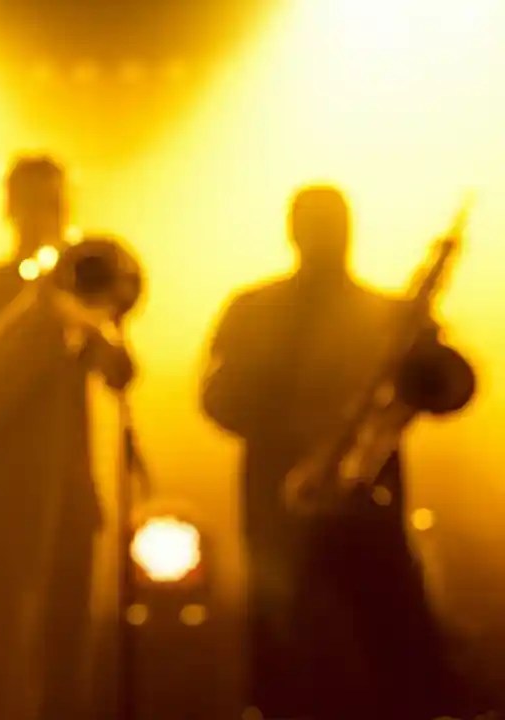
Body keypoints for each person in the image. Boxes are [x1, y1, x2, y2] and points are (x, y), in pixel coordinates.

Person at [200, 185, 469, 719]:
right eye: (319, 226)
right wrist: (295, 427)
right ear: (295, 233)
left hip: (364, 499)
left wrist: (426, 351)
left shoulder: (389, 313)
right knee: (284, 649)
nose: (330, 238)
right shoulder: (254, 310)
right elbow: (216, 398)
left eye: (336, 225)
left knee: (394, 642)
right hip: (287, 502)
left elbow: (452, 390)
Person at [0, 155, 134, 719]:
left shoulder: (81, 292)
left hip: (71, 501)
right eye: (31, 203)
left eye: (53, 204)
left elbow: (122, 373)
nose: (42, 215)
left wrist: (94, 319)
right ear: (8, 208)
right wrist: (40, 301)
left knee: (66, 661)